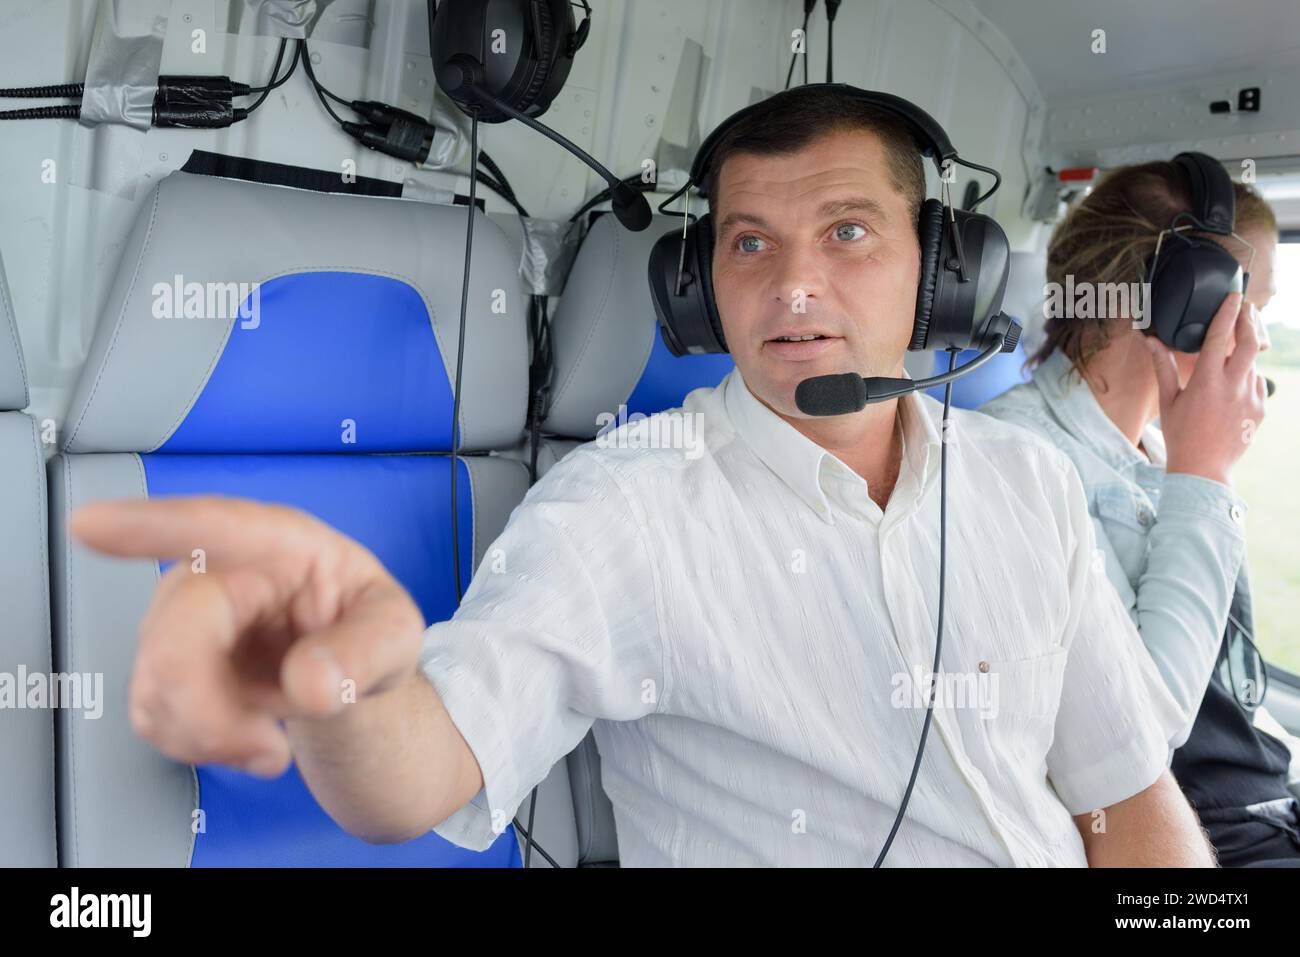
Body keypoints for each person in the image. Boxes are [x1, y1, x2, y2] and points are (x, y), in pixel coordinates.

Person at [71, 86, 1213, 866]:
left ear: (943, 269)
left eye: (849, 232)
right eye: (748, 242)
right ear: (697, 286)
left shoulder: (1023, 483)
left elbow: (1123, 796)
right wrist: (338, 686)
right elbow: (421, 774)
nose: (794, 285)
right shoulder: (630, 507)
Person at [982, 162, 1300, 866]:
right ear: (1181, 300)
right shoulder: (1023, 462)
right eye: (1252, 307)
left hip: (1261, 802)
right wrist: (1205, 475)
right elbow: (1143, 731)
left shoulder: (1154, 446)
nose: (1261, 341)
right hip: (1198, 834)